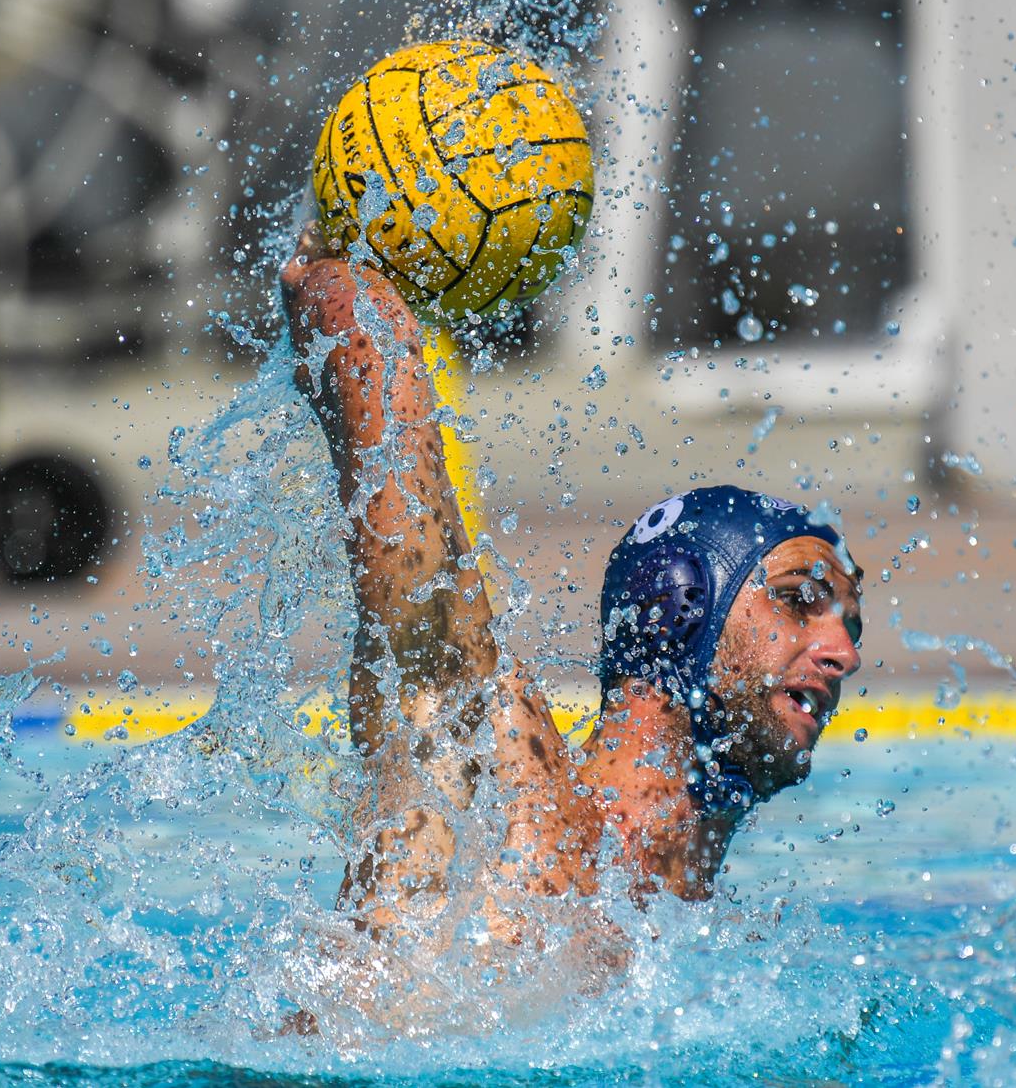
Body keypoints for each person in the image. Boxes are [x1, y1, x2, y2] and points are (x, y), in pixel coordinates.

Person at [279, 224, 863, 950]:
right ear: (682, 612)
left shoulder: (717, 939)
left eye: (850, 624)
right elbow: (417, 585)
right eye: (799, 599)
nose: (844, 654)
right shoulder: (498, 790)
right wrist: (345, 282)